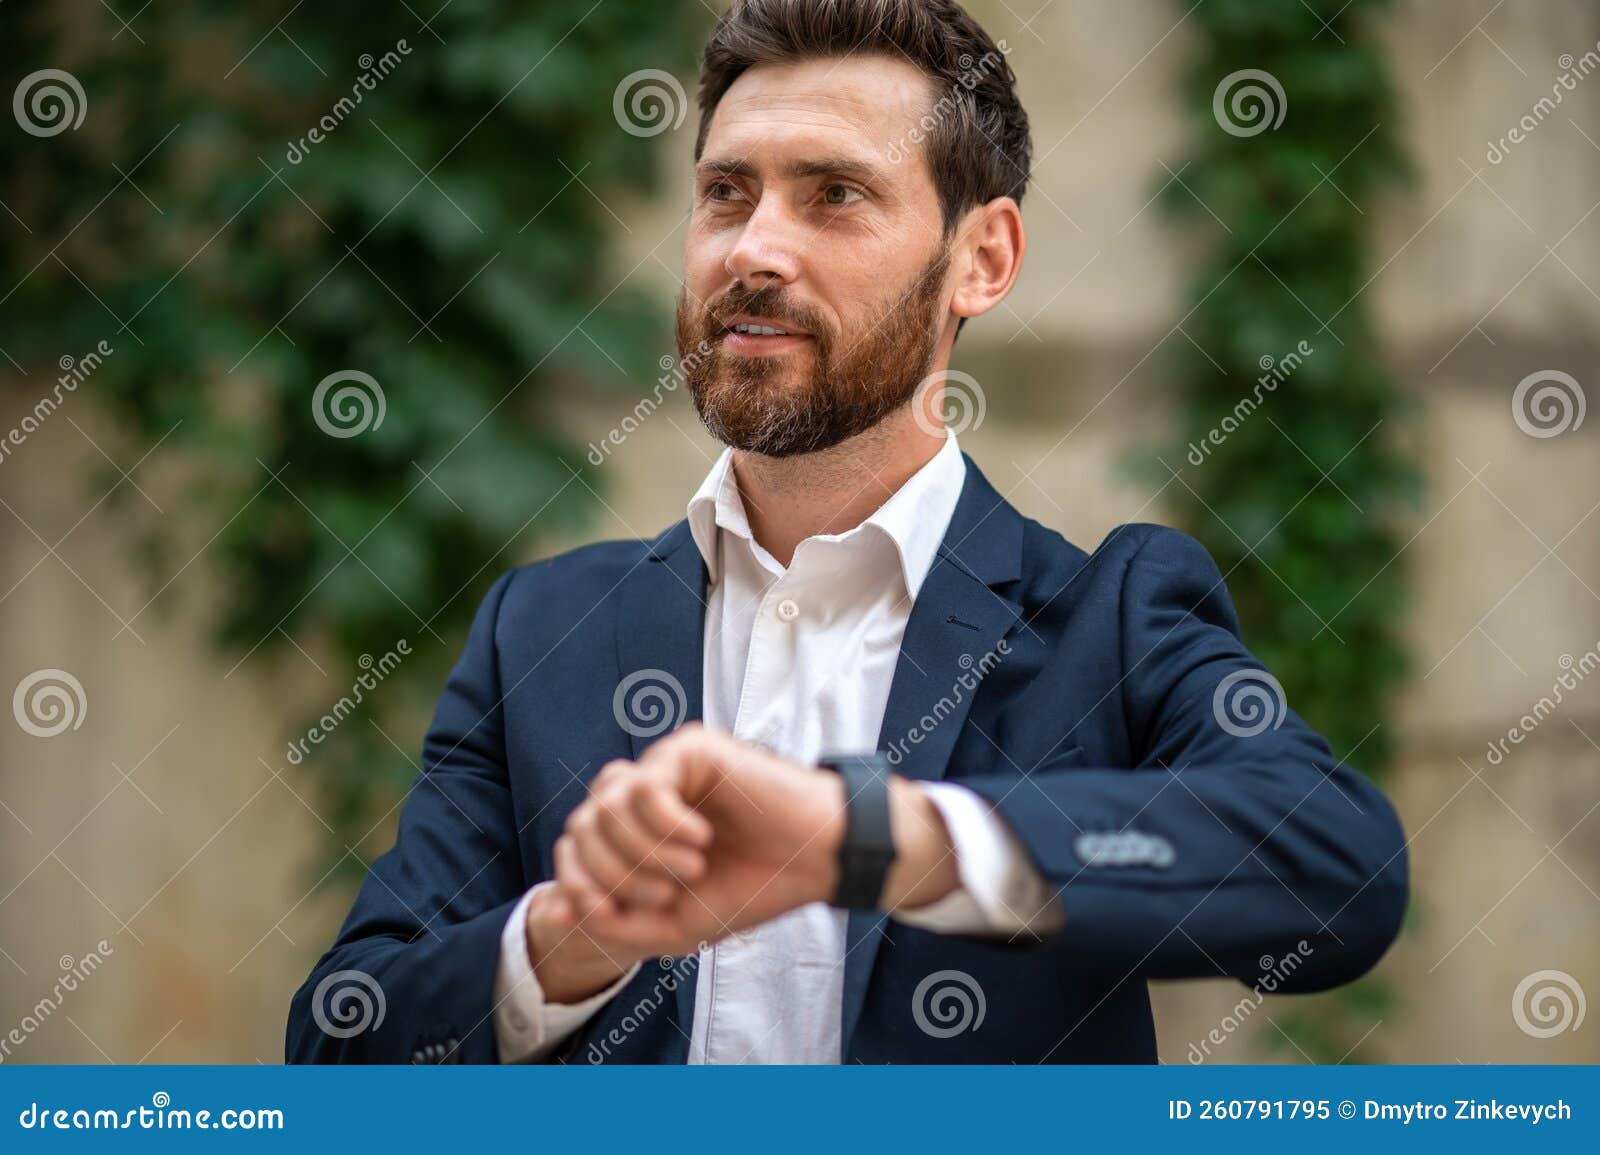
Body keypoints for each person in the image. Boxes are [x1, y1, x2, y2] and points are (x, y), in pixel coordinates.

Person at [287, 0, 1407, 1065]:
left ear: (984, 259)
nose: (752, 250)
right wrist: (564, 945)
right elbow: (339, 1046)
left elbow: (1334, 868)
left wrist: (871, 839)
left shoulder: (1105, 622)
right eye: (727, 192)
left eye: (833, 195)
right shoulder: (543, 630)